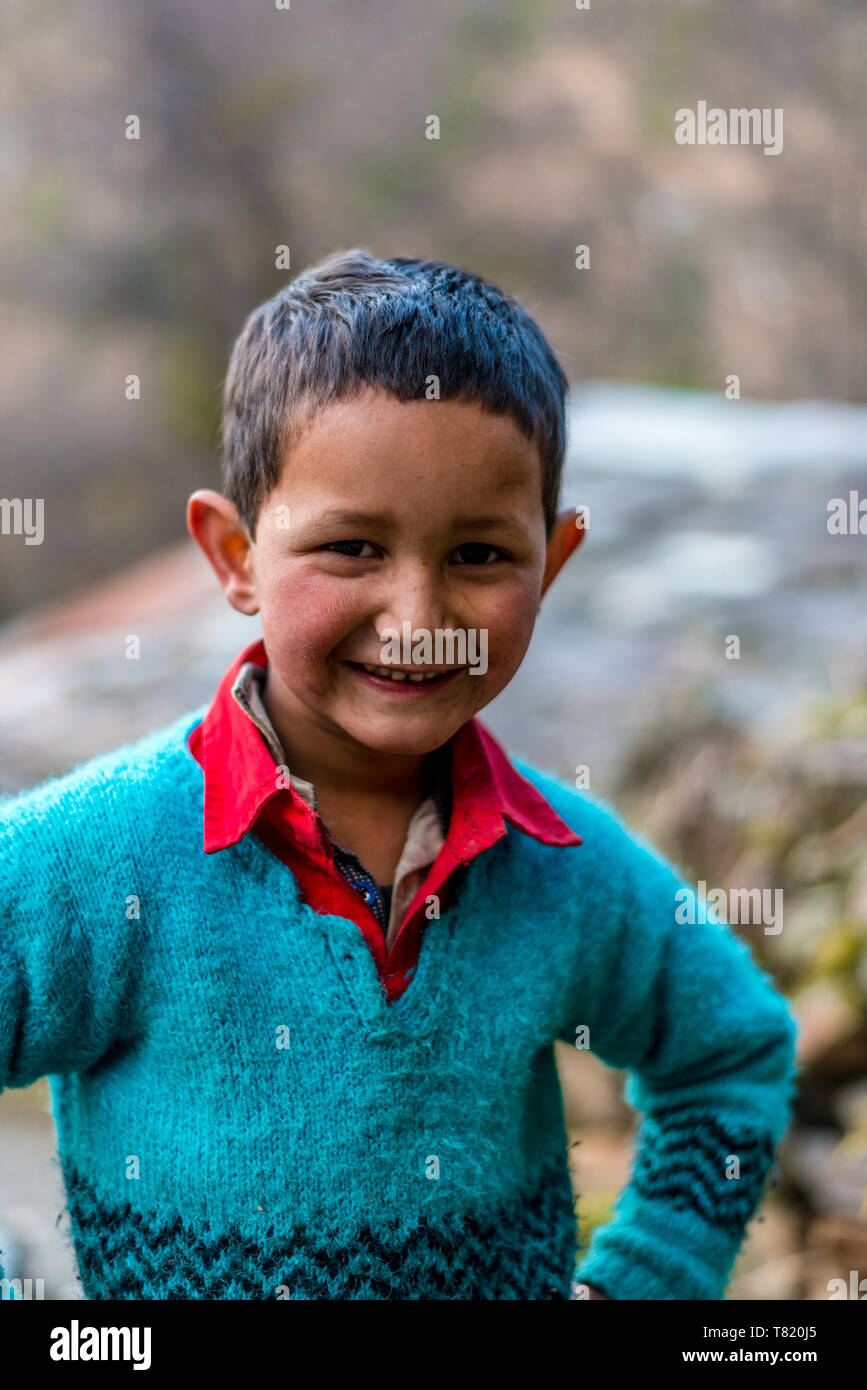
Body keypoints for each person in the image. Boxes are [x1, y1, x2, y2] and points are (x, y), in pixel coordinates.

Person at [0, 249, 799, 1300]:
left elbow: (731, 1057)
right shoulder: (91, 863)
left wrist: (648, 1280)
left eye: (478, 556)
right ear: (235, 555)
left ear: (552, 563)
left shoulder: (570, 871)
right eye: (351, 548)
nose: (417, 621)